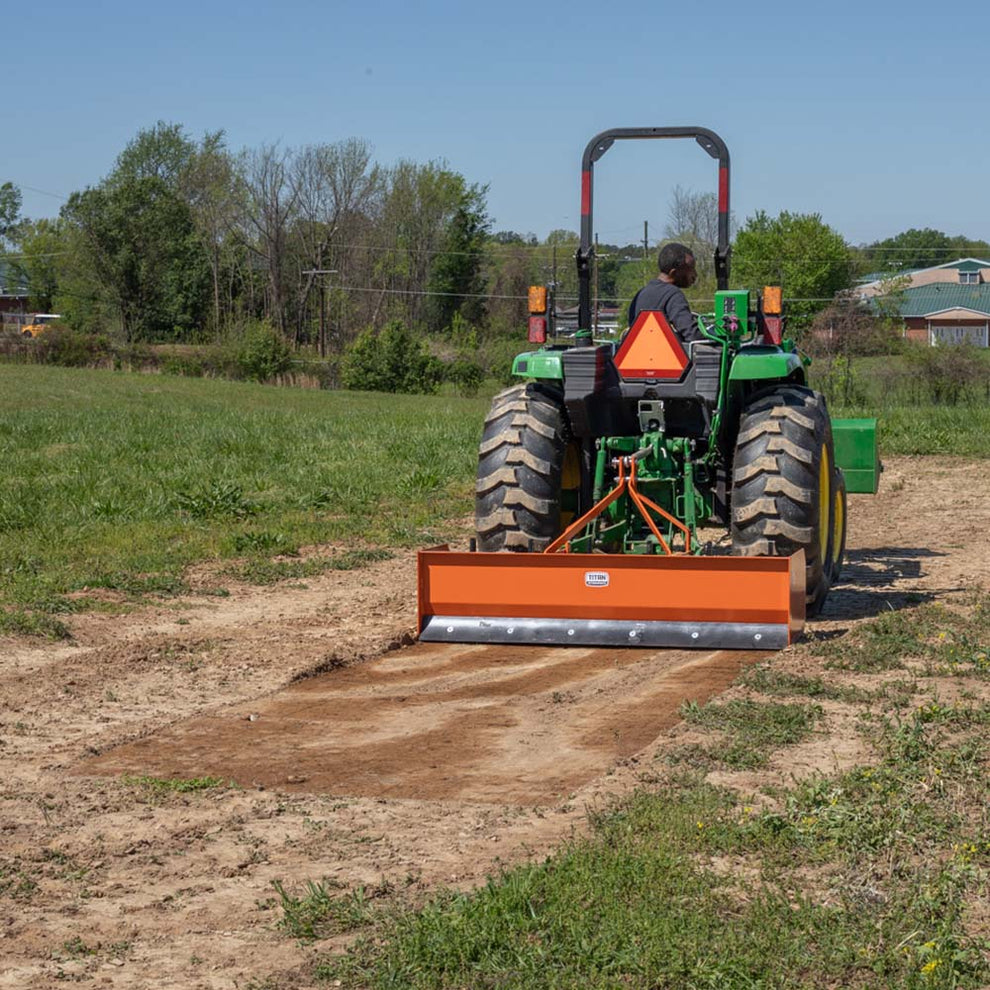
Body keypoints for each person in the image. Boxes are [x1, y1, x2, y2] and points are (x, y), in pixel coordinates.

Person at [627, 242, 701, 343]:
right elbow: (692, 335)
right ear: (673, 273)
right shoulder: (673, 294)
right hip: (664, 352)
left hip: (638, 351)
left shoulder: (641, 294)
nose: (695, 275)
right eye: (691, 269)